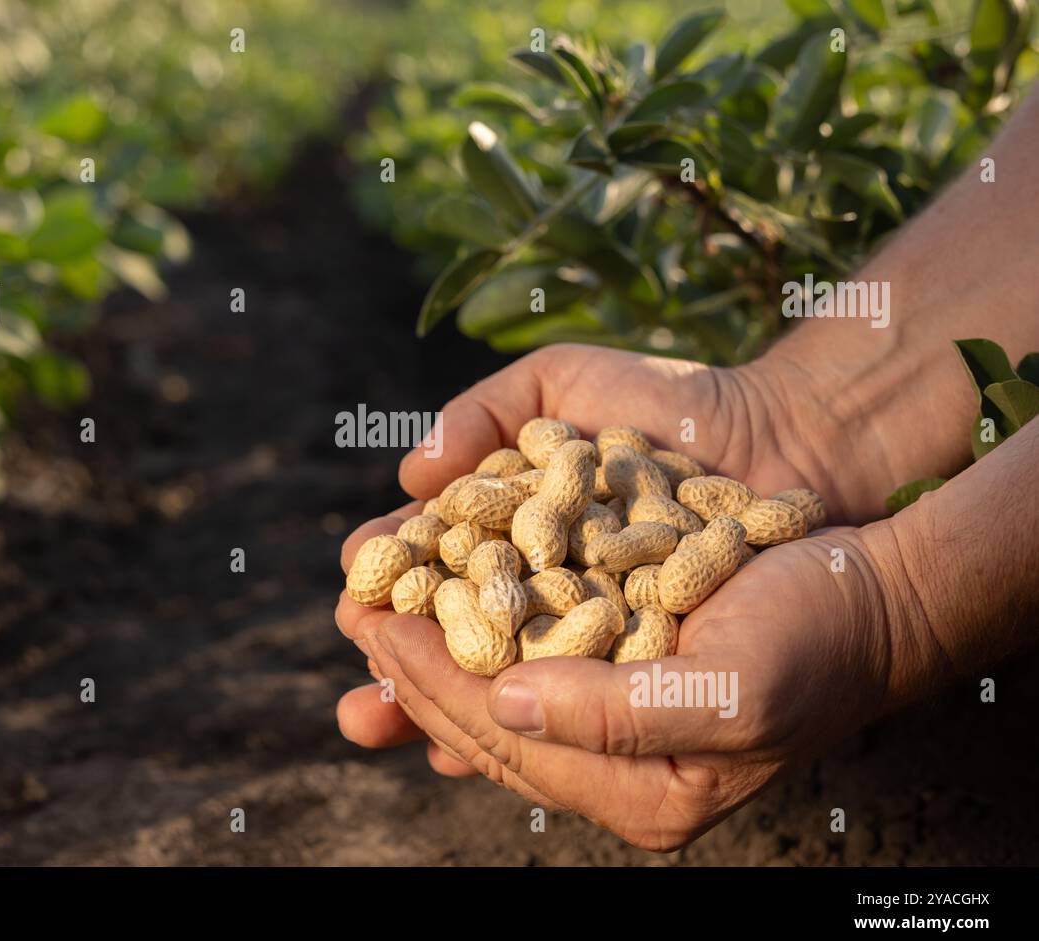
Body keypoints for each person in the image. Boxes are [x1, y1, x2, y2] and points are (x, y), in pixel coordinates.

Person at [332, 94, 1039, 851]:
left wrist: (907, 603)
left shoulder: (628, 534)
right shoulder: (559, 522)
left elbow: (645, 569)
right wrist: (809, 415)